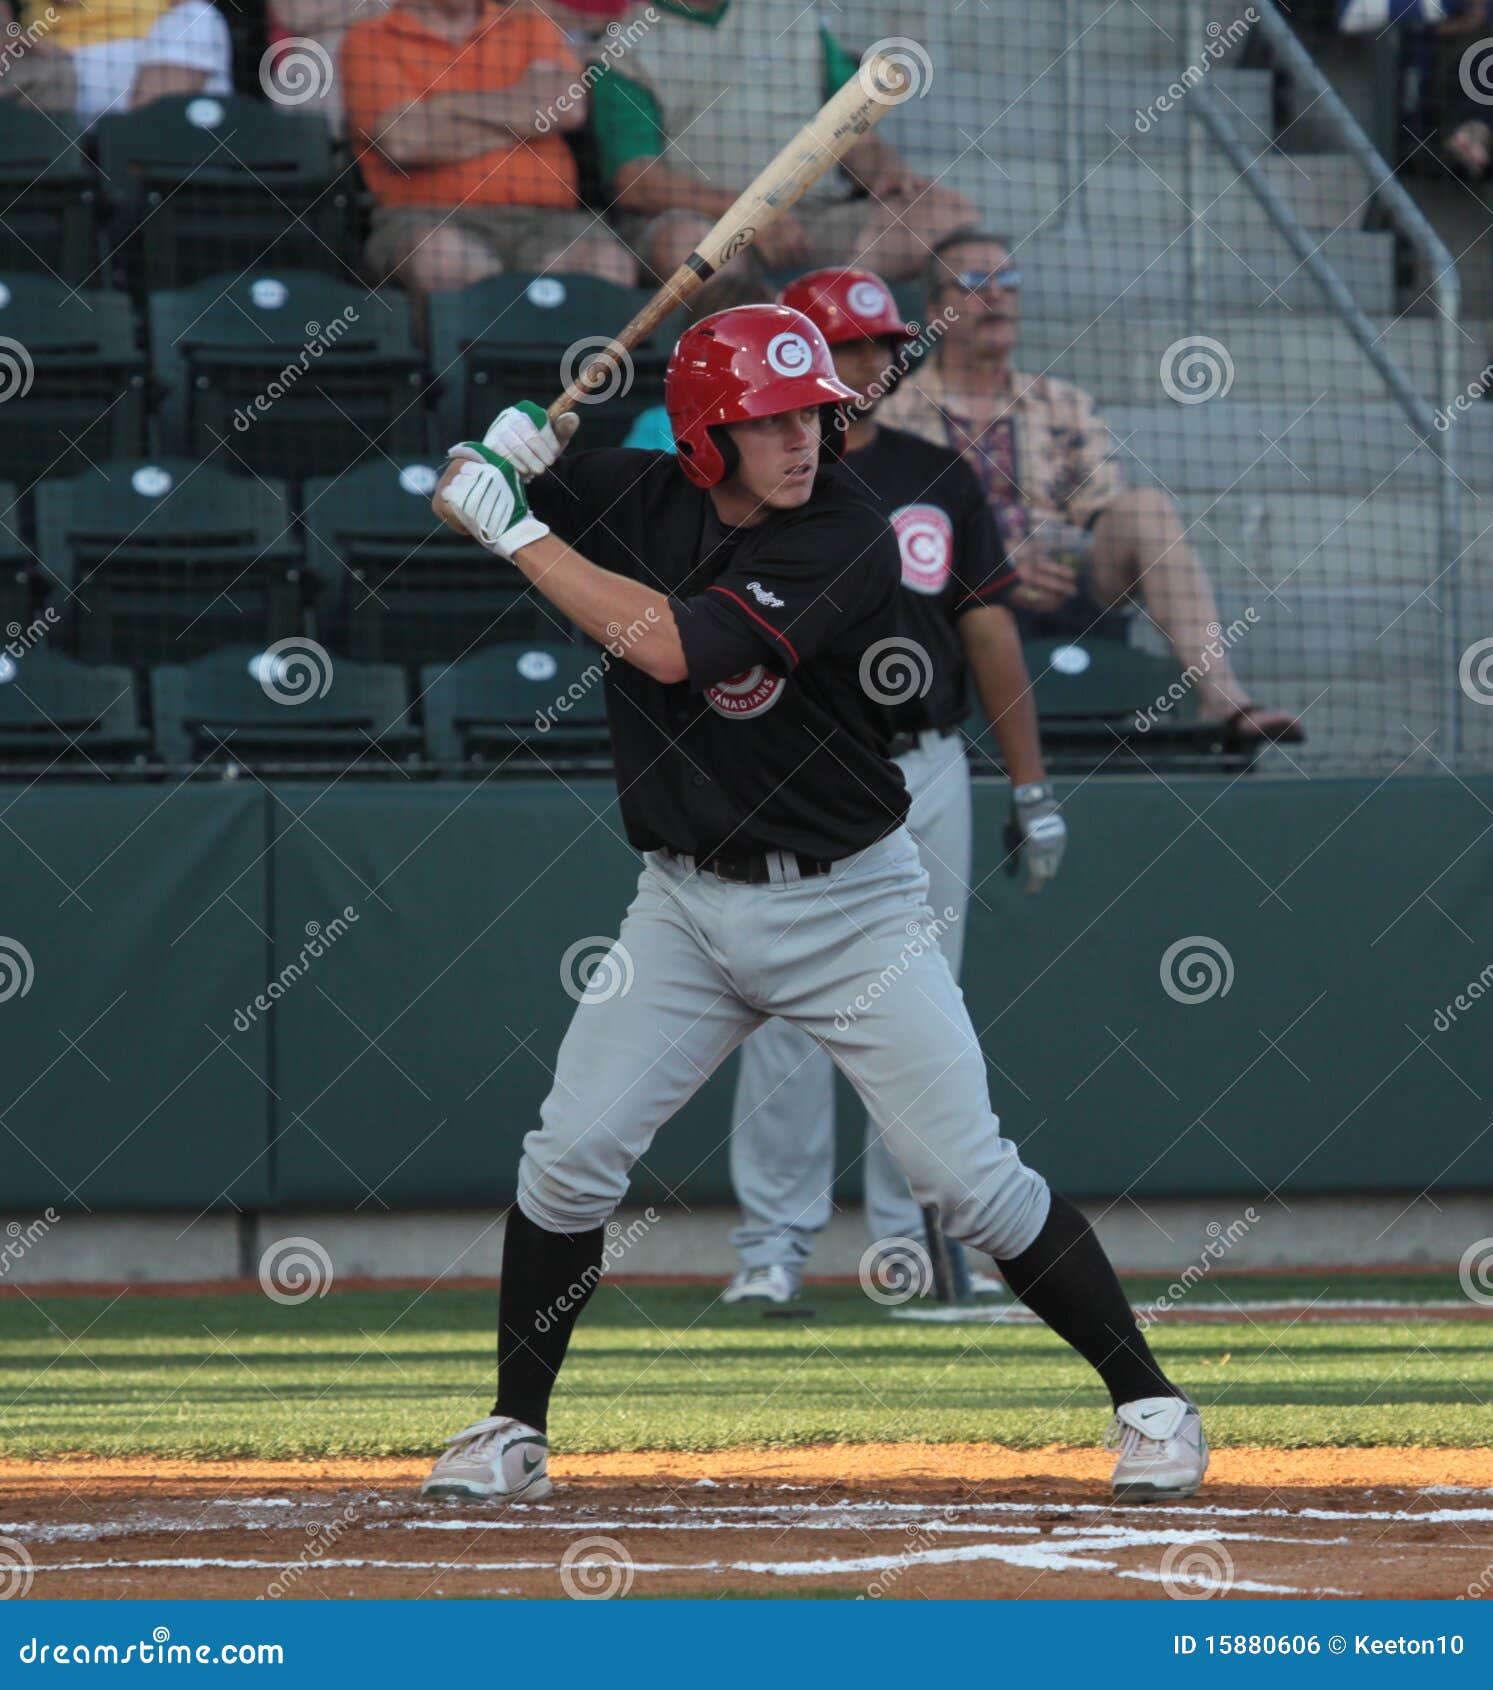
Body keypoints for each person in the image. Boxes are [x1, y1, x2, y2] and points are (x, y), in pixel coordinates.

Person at [421, 301, 1210, 1507]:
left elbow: (671, 647)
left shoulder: (844, 531)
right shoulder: (633, 492)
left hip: (850, 912)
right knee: (570, 1155)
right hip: (683, 906)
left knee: (968, 1180)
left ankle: (1150, 1404)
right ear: (704, 436)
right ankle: (511, 1427)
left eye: (813, 416)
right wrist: (497, 458)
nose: (804, 439)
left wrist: (516, 525)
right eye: (771, 420)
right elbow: (457, 494)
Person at [625, 266, 1068, 1306]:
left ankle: (922, 1244)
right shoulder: (731, 490)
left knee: (921, 1007)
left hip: (922, 759)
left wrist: (1031, 786)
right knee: (783, 1014)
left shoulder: (933, 472)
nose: (870, 363)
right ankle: (773, 1248)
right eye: (849, 345)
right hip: (787, 763)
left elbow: (987, 629)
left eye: (881, 345)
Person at [881, 231, 1304, 748]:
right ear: (934, 308)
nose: (996, 295)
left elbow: (1098, 508)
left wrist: (1050, 555)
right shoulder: (894, 414)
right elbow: (895, 539)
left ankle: (1223, 698)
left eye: (1008, 281)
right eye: (973, 282)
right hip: (956, 600)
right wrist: (998, 568)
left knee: (1145, 509)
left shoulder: (1063, 403)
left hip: (1065, 581)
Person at [587, 0, 974, 282]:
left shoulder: (792, 14)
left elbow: (855, 128)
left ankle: (821, 313)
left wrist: (884, 170)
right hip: (708, 223)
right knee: (684, 248)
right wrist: (751, 215)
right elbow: (635, 181)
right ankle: (761, 337)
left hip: (817, 216)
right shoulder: (626, 47)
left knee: (946, 214)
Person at [341, 0, 636, 306]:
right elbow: (405, 141)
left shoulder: (529, 24)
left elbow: (568, 107)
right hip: (429, 219)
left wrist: (445, 106)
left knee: (607, 265)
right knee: (441, 261)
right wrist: (528, 118)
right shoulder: (371, 37)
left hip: (549, 221)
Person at [0, 0, 231, 127]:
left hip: (154, 53)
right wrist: (7, 37)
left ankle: (136, 150)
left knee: (199, 16)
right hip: (68, 63)